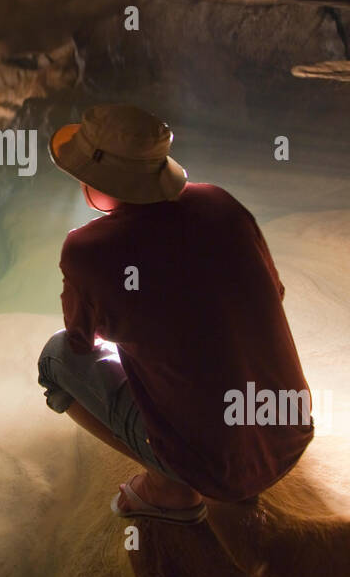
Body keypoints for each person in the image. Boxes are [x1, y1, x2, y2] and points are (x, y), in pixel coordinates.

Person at [38, 104, 314, 524]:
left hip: (215, 466)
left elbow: (80, 342)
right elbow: (274, 291)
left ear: (95, 180)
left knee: (55, 359)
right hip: (290, 432)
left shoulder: (86, 249)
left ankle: (168, 486)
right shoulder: (221, 202)